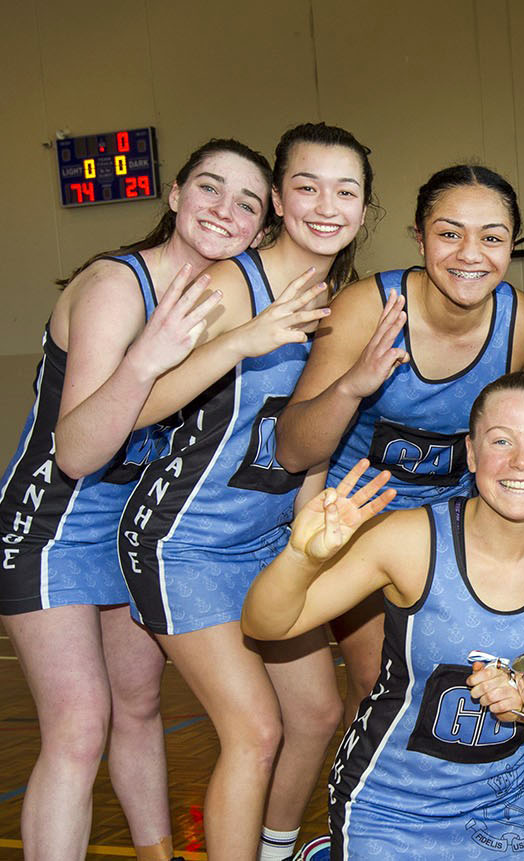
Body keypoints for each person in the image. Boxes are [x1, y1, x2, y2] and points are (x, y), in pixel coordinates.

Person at [0, 139, 272, 861]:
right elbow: (77, 451)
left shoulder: (227, 304)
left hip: (126, 529)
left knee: (141, 709)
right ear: (174, 195)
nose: (223, 210)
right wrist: (149, 353)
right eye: (209, 188)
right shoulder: (117, 284)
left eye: (246, 202)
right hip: (48, 524)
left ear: (262, 231)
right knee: (79, 726)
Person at [243, 372, 524, 859]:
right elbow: (266, 624)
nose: (522, 462)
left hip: (505, 810)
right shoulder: (409, 540)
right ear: (472, 453)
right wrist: (301, 557)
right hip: (389, 809)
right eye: (502, 441)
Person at [116, 122, 372, 860]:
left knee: (317, 713)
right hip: (184, 538)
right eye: (307, 186)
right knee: (254, 729)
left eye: (346, 191)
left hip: (267, 544)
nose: (327, 204)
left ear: (362, 209)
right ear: (279, 204)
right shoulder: (231, 284)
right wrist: (242, 339)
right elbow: (135, 402)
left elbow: (316, 436)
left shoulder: (339, 300)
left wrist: (307, 540)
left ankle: (276, 847)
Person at [274, 164, 524, 728]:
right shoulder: (368, 308)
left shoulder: (523, 323)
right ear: (419, 237)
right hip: (359, 521)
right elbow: (293, 450)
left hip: (450, 529)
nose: (470, 253)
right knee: (377, 687)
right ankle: (355, 812)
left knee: (464, 687)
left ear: (512, 245)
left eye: (492, 237)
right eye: (449, 233)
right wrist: (351, 387)